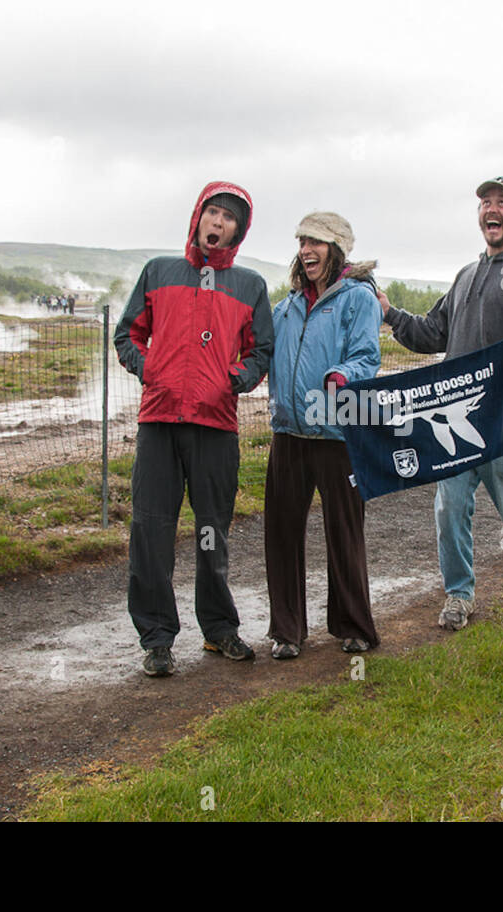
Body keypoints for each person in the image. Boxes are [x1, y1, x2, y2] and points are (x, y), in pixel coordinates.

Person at [378, 176, 503, 631]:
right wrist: (390, 313)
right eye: (486, 202)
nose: (492, 209)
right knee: (448, 511)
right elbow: (432, 333)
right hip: (454, 421)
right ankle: (459, 595)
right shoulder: (465, 276)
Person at [113, 181, 273, 677]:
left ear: (238, 232)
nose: (218, 223)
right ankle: (157, 639)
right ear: (198, 217)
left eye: (230, 219)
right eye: (213, 213)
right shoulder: (159, 273)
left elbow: (261, 349)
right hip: (159, 423)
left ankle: (219, 629)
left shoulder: (249, 286)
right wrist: (151, 368)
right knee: (151, 532)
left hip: (216, 426)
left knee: (211, 532)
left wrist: (236, 380)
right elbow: (127, 334)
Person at [264, 213, 383, 659]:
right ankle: (287, 632)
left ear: (336, 249)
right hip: (289, 433)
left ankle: (353, 627)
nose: (306, 250)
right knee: (281, 533)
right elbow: (265, 351)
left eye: (315, 242)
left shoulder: (357, 298)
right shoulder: (289, 303)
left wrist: (341, 374)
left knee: (344, 532)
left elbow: (366, 356)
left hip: (338, 433)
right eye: (301, 241)